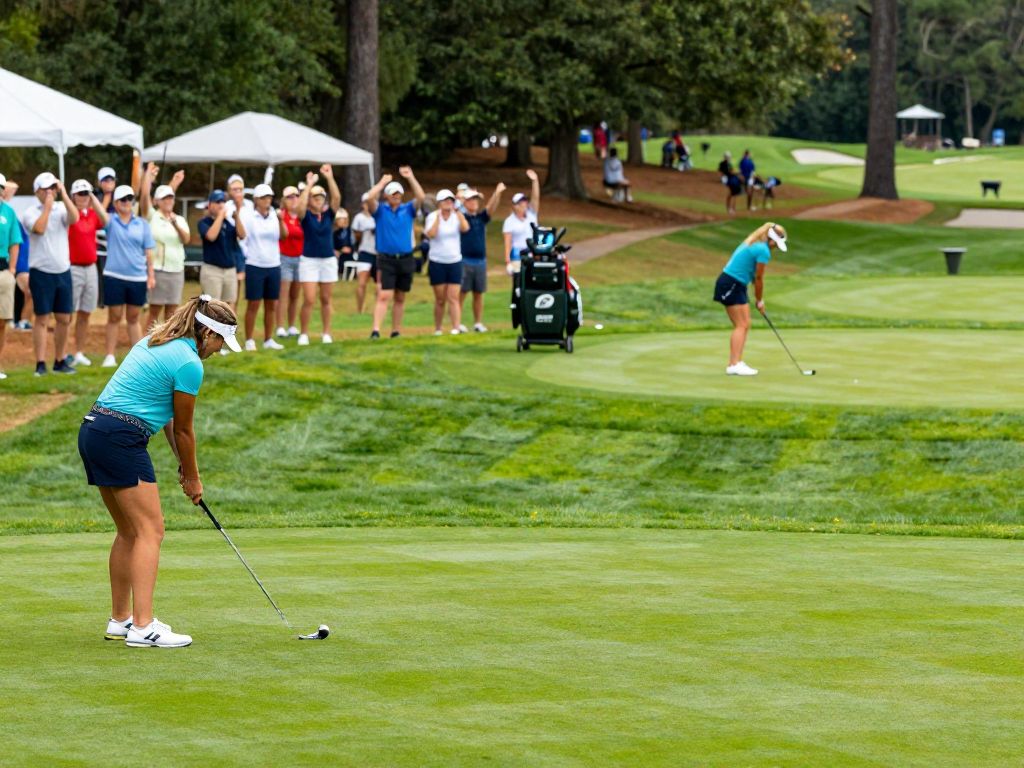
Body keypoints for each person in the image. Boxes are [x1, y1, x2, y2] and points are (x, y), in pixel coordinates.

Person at [78, 294, 241, 648]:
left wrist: (184, 465)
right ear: (207, 333)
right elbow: (184, 429)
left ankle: (121, 620)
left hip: (95, 431)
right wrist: (193, 478)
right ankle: (143, 627)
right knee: (151, 531)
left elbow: (167, 417)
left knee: (129, 531)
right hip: (121, 438)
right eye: (220, 343)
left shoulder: (156, 340)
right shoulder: (189, 363)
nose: (219, 351)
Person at [21, 171, 79, 376]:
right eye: (46, 189)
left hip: (63, 270)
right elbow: (39, 228)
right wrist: (47, 207)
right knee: (42, 318)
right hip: (41, 271)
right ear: (37, 191)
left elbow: (74, 218)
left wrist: (64, 194)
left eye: (52, 188)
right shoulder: (30, 212)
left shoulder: (62, 207)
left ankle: (60, 360)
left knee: (64, 318)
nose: (49, 193)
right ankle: (40, 363)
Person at [712, 222, 788, 376]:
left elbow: (753, 275)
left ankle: (736, 362)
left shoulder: (753, 243)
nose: (775, 247)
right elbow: (759, 278)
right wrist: (759, 300)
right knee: (741, 325)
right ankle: (734, 365)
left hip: (736, 284)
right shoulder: (763, 250)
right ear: (771, 240)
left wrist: (759, 299)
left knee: (745, 324)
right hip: (731, 284)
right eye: (775, 243)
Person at [365, 166, 426, 339]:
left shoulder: (408, 209)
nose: (396, 196)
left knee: (400, 297)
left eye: (398, 193)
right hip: (386, 259)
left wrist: (410, 177)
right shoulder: (380, 211)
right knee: (384, 295)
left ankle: (396, 331)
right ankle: (376, 330)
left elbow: (421, 197)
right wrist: (382, 183)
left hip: (406, 259)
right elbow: (369, 198)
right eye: (392, 193)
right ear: (386, 195)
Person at [100, 184, 156, 368]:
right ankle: (109, 355)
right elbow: (99, 211)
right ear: (116, 203)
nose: (126, 202)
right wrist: (96, 194)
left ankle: (137, 359)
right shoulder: (110, 221)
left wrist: (151, 275)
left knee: (133, 318)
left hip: (137, 277)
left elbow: (148, 251)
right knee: (114, 317)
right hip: (114, 276)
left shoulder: (142, 224)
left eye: (129, 199)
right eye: (122, 199)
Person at [295, 165, 342, 345]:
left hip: (328, 260)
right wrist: (309, 185)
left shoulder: (329, 215)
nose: (319, 200)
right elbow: (299, 207)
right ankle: (304, 334)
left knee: (326, 299)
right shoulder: (306, 216)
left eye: (321, 197)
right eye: (315, 197)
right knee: (309, 299)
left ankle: (326, 333)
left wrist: (329, 178)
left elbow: (336, 198)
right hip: (309, 260)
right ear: (310, 199)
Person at [140, 164, 188, 331]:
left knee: (172, 313)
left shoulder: (179, 219)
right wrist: (148, 176)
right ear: (157, 202)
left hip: (176, 269)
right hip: (158, 270)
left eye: (171, 198)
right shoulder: (152, 216)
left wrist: (175, 224)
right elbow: (144, 196)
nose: (168, 201)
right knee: (154, 312)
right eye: (164, 198)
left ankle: (167, 342)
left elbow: (185, 239)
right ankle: (146, 343)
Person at [67, 179, 109, 367]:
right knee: (68, 313)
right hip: (73, 267)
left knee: (85, 312)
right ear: (73, 196)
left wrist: (92, 196)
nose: (83, 197)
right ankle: (65, 352)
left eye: (86, 194)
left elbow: (105, 220)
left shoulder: (92, 214)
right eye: (80, 193)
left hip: (91, 267)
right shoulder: (69, 215)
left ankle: (79, 352)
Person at [239, 184, 287, 351]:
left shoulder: (275, 215)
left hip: (274, 265)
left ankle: (268, 339)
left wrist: (281, 220)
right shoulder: (249, 217)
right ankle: (249, 340)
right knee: (253, 304)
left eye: (269, 197)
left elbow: (284, 236)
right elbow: (243, 238)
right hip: (255, 265)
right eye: (264, 197)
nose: (267, 200)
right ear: (256, 200)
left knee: (271, 304)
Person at [459, 183, 504, 333]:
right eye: (471, 200)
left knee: (478, 293)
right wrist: (460, 200)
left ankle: (478, 323)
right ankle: (457, 322)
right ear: (465, 203)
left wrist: (497, 193)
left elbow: (491, 207)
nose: (474, 202)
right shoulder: (461, 217)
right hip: (464, 260)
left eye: (476, 200)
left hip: (480, 261)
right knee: (462, 293)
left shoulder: (480, 218)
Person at [424, 189, 469, 335]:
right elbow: (431, 234)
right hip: (437, 261)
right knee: (440, 299)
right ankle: (438, 328)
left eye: (450, 200)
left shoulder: (457, 216)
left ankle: (455, 327)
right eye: (445, 200)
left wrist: (458, 213)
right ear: (439, 203)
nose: (448, 202)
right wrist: (439, 217)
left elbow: (465, 228)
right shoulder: (432, 216)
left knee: (453, 297)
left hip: (454, 261)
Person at [198, 190, 246, 312]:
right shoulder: (204, 222)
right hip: (212, 270)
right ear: (210, 205)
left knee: (229, 306)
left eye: (223, 202)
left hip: (230, 271)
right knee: (212, 307)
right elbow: (211, 236)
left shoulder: (228, 223)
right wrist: (220, 216)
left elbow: (242, 235)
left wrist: (236, 217)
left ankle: (226, 326)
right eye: (218, 202)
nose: (221, 204)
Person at [3, 179, 33, 331]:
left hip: (21, 260)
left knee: (26, 291)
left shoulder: (9, 212)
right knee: (25, 291)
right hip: (15, 261)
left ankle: (21, 321)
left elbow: (13, 186)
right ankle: (17, 320)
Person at [275, 185, 303, 337]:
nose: (294, 199)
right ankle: (280, 326)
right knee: (283, 295)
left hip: (300, 258)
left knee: (295, 295)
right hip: (284, 257)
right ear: (284, 200)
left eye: (296, 196)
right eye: (290, 197)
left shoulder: (301, 216)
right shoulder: (280, 215)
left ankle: (292, 326)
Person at [0, 172, 21, 379]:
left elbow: (15, 242)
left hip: (3, 270)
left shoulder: (9, 212)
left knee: (2, 321)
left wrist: (12, 269)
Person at [502, 169, 541, 275]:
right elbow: (507, 242)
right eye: (521, 202)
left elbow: (536, 198)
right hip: (517, 255)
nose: (524, 204)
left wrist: (535, 181)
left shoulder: (531, 215)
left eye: (525, 201)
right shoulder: (509, 221)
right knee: (520, 280)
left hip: (533, 253)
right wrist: (507, 261)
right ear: (515, 206)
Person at [225, 174, 253, 299]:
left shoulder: (251, 205)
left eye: (240, 189)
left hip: (250, 250)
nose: (238, 192)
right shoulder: (226, 206)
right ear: (229, 191)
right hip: (232, 251)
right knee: (233, 291)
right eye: (234, 189)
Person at [95, 166, 117, 308]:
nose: (108, 183)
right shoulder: (94, 196)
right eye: (105, 180)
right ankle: (102, 301)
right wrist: (107, 199)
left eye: (111, 180)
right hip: (100, 243)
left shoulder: (121, 197)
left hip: (115, 242)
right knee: (102, 273)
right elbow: (96, 217)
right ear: (99, 182)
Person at [351, 192, 377, 314]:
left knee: (380, 284)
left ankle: (377, 308)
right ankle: (359, 309)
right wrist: (362, 233)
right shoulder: (359, 218)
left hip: (379, 253)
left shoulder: (379, 216)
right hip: (365, 252)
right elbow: (356, 237)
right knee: (361, 283)